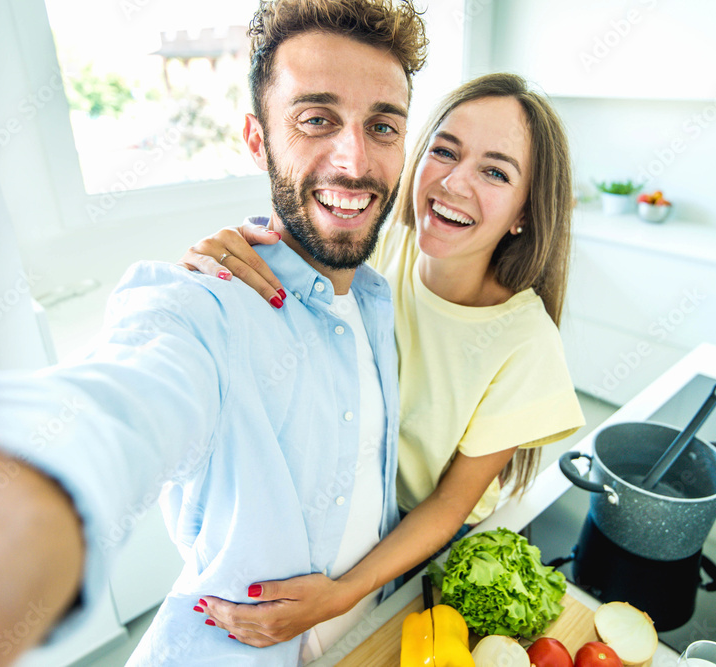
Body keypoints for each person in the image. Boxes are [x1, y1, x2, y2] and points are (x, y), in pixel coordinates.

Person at [0, 1, 428, 665]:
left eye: (382, 126)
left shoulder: (379, 300)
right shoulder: (206, 306)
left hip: (367, 637)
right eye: (316, 119)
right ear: (258, 138)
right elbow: (123, 397)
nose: (354, 159)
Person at [179, 72, 586, 647]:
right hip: (352, 500)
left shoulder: (526, 345)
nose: (454, 182)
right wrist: (224, 255)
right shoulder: (377, 250)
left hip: (420, 536)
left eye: (495, 172)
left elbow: (448, 505)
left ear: (524, 211)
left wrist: (339, 593)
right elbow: (290, 249)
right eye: (444, 151)